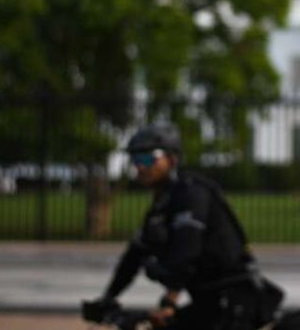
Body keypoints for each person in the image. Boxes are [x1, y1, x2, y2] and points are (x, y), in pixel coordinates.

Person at [84, 123, 283, 329]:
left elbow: (186, 253)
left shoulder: (191, 194)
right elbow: (135, 255)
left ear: (171, 158)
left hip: (236, 302)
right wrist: (108, 297)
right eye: (135, 159)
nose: (140, 166)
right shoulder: (162, 204)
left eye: (147, 158)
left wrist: (168, 301)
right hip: (210, 302)